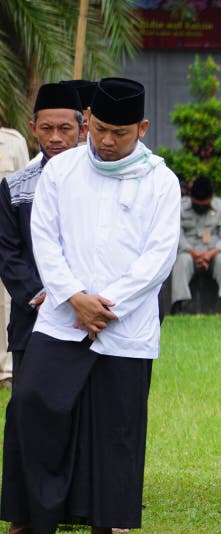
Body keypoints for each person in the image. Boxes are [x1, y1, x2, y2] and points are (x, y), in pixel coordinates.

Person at [4, 77, 181, 533]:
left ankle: (110, 520)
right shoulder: (60, 173)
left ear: (141, 128)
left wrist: (107, 305)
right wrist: (74, 298)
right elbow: (45, 240)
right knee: (31, 403)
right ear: (88, 122)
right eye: (98, 128)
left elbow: (158, 257)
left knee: (116, 428)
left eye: (118, 133)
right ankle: (29, 515)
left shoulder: (161, 180)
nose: (105, 140)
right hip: (62, 318)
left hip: (125, 326)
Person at [0, 83, 85, 533]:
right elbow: (9, 253)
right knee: (27, 411)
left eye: (65, 128)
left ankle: (85, 505)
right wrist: (47, 296)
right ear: (32, 129)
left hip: (93, 318)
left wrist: (85, 300)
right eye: (47, 128)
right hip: (35, 317)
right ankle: (23, 511)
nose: (55, 137)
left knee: (87, 413)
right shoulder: (15, 187)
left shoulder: (98, 182)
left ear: (82, 128)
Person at [171, 176, 221, 315]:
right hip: (189, 251)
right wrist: (193, 252)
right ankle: (178, 305)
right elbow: (177, 235)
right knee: (182, 261)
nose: (200, 207)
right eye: (197, 205)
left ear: (212, 197)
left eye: (204, 205)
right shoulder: (180, 207)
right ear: (191, 197)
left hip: (214, 252)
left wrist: (209, 254)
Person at [0, 121, 30, 389]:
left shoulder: (12, 141)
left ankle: (6, 369)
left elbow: (25, 188)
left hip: (6, 234)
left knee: (6, 302)